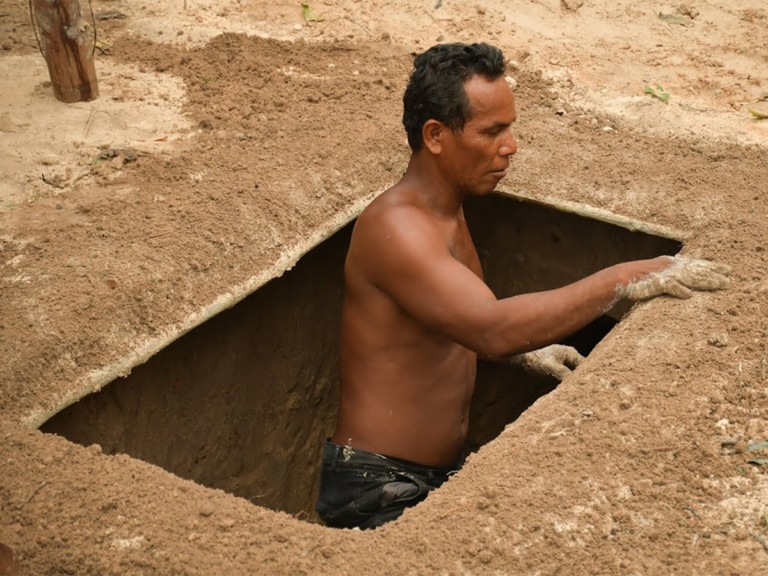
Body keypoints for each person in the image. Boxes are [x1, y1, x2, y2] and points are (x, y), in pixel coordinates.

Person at [315, 42, 730, 530]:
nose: (510, 146)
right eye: (492, 131)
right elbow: (491, 327)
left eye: (509, 128)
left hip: (427, 476)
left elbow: (448, 323)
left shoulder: (446, 207)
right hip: (376, 487)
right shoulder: (399, 229)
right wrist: (628, 276)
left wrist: (522, 354)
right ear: (435, 135)